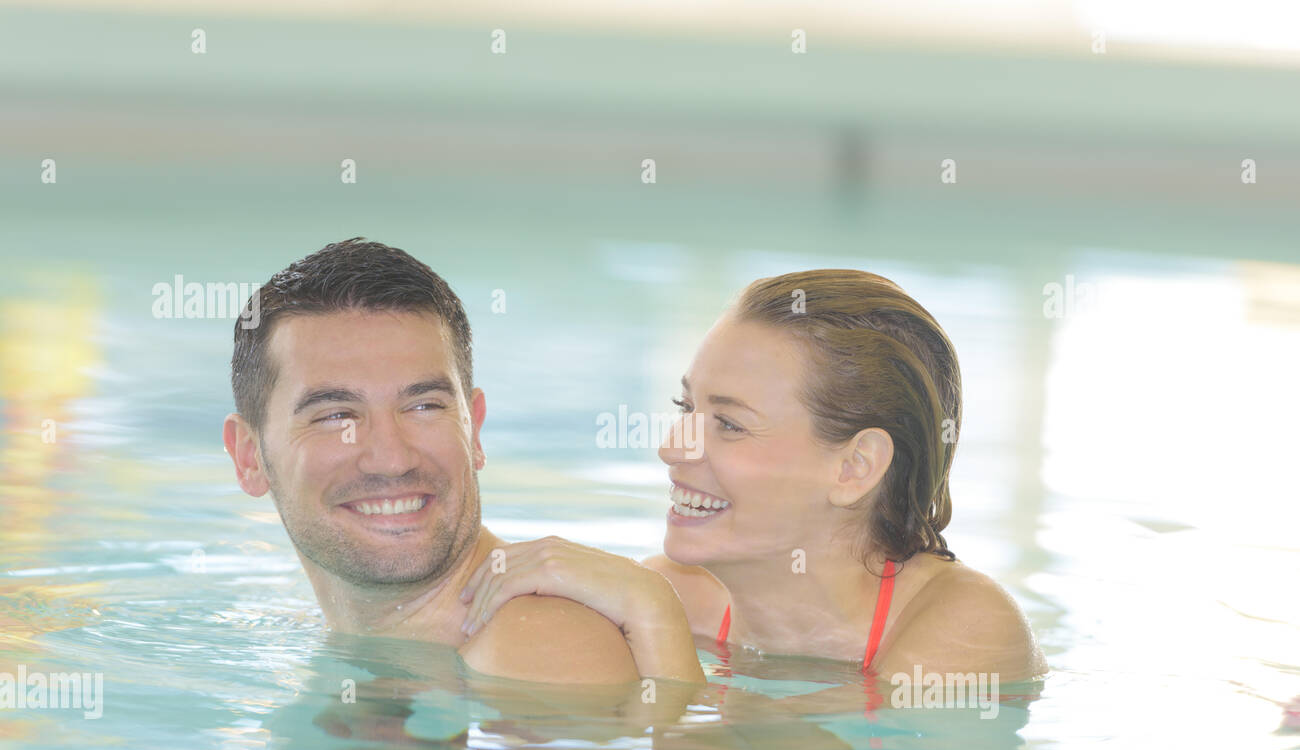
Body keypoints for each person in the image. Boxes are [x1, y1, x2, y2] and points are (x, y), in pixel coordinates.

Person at [460, 269, 1047, 683]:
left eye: (731, 425)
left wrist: (653, 616)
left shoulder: (963, 628)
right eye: (686, 408)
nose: (672, 448)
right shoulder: (677, 592)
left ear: (854, 467)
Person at [221, 238, 704, 685]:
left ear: (473, 427)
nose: (391, 459)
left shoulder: (531, 645)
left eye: (424, 406)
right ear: (249, 457)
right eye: (336, 415)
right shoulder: (341, 629)